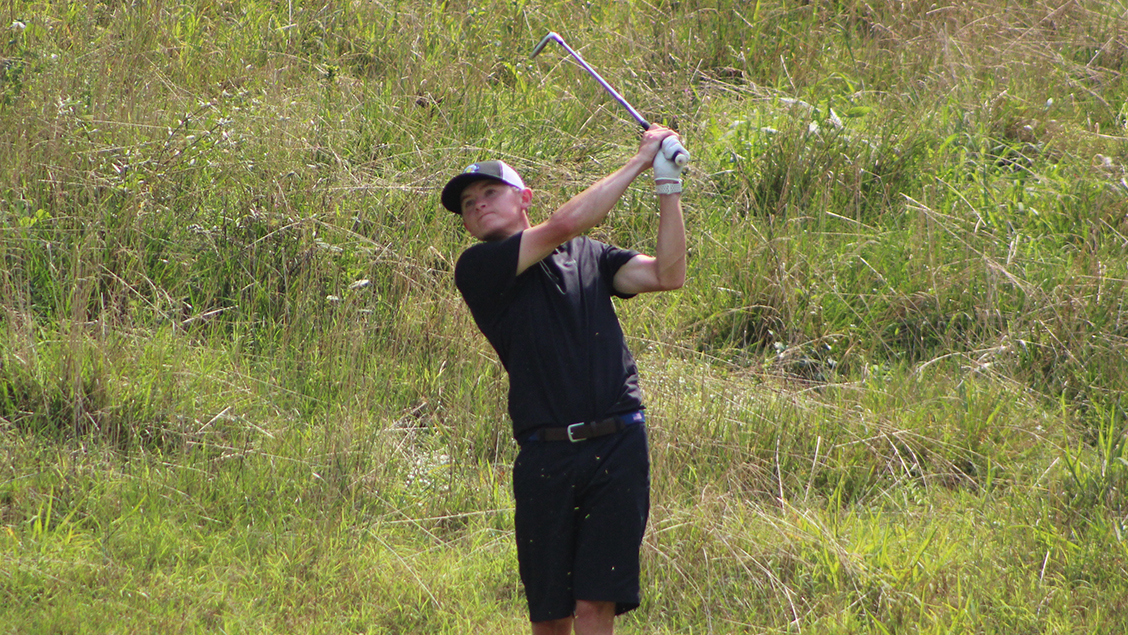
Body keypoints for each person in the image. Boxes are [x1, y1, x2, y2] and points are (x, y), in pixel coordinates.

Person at [442, 125, 687, 635]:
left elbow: (668, 274)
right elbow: (563, 224)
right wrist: (640, 160)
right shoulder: (478, 267)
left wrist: (668, 188)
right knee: (552, 618)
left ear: (524, 198)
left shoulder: (590, 256)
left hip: (618, 445)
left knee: (595, 604)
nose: (478, 204)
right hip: (547, 455)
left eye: (490, 192)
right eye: (467, 203)